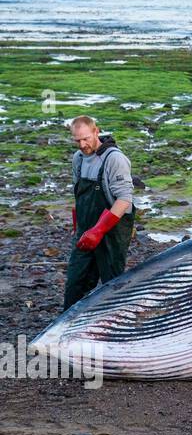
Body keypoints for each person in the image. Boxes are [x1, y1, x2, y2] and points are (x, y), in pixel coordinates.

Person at [65, 116, 135, 308]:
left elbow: (124, 200)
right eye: (77, 140)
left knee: (112, 284)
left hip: (112, 231)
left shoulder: (115, 159)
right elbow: (79, 196)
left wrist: (99, 230)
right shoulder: (78, 159)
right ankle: (69, 328)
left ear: (96, 131)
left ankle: (116, 325)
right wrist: (78, 227)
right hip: (86, 230)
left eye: (86, 138)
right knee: (75, 283)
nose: (82, 144)